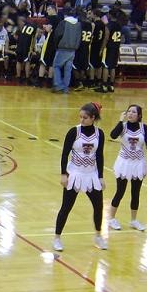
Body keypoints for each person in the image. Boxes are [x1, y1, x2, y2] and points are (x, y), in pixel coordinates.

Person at [53, 102, 106, 252]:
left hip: (91, 175)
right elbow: (64, 154)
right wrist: (64, 173)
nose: (82, 120)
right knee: (66, 207)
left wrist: (100, 176)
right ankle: (57, 238)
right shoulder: (73, 132)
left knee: (98, 206)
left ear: (93, 118)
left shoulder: (99, 134)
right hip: (75, 174)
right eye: (80, 117)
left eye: (85, 117)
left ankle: (98, 236)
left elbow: (100, 155)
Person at [107, 104, 147, 232]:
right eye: (129, 111)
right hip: (124, 163)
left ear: (139, 115)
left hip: (138, 164)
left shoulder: (144, 128)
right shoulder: (123, 126)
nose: (130, 114)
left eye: (134, 112)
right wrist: (120, 120)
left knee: (135, 193)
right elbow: (112, 135)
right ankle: (111, 218)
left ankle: (133, 220)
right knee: (120, 192)